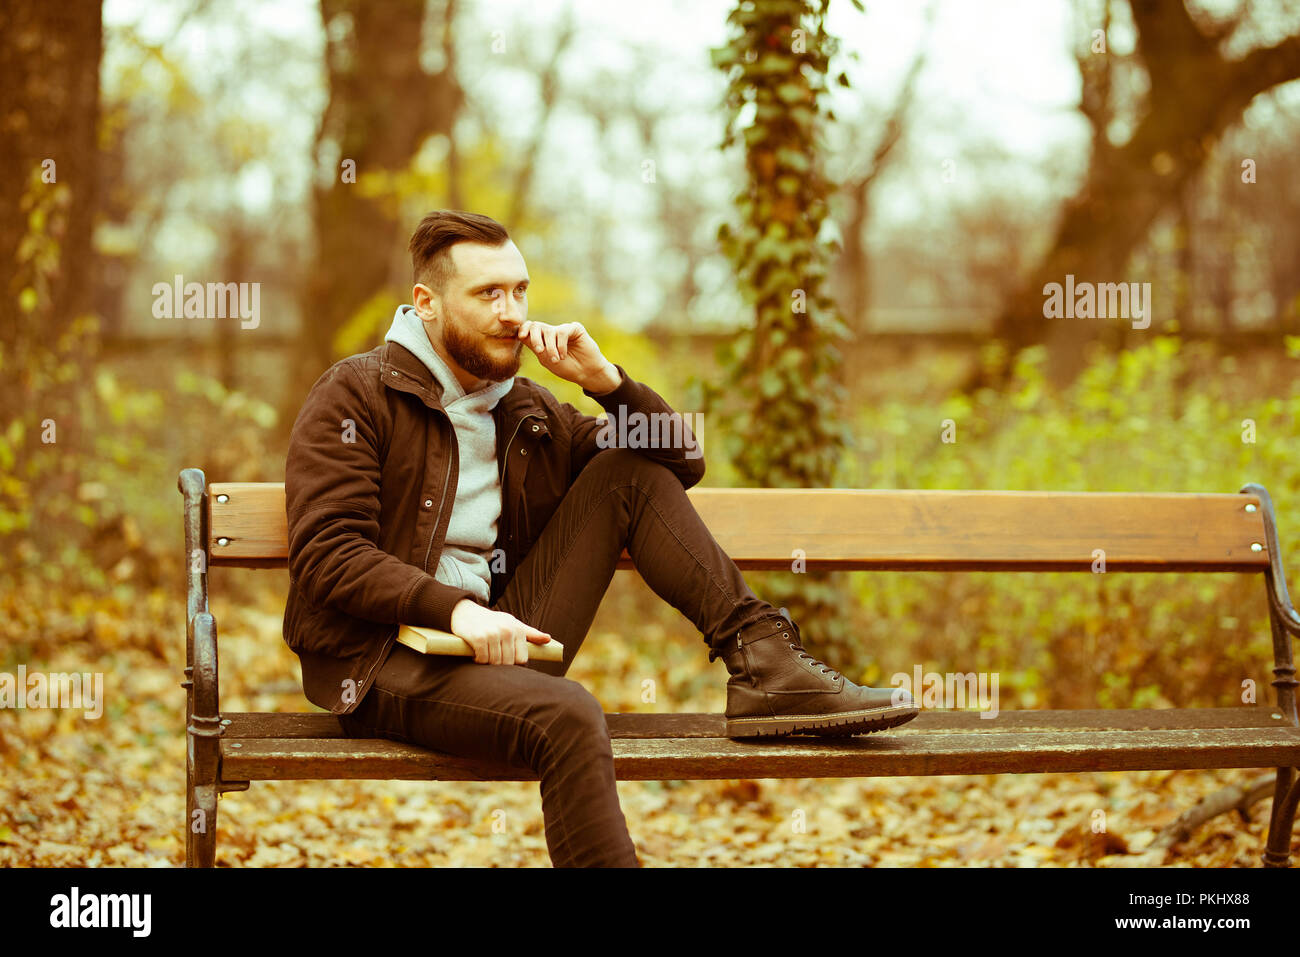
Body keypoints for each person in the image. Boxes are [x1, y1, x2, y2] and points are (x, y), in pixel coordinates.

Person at [282, 209, 918, 867]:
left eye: (520, 290)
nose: (512, 312)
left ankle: (764, 663)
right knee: (570, 713)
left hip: (504, 642)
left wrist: (607, 384)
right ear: (428, 303)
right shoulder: (356, 394)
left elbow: (677, 463)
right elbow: (330, 552)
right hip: (383, 659)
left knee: (626, 472)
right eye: (488, 293)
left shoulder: (525, 408)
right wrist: (456, 610)